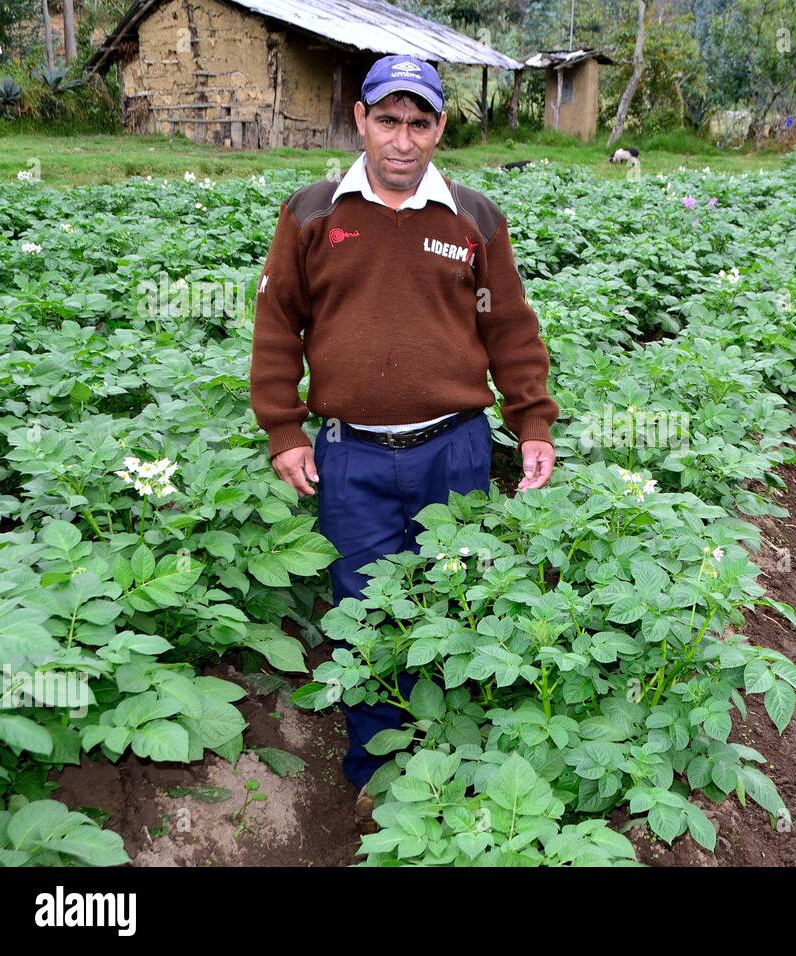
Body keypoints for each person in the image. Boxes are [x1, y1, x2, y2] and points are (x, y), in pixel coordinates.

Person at [247, 54, 559, 831]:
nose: (402, 139)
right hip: (348, 457)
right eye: (388, 119)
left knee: (456, 606)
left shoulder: (474, 218)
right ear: (360, 120)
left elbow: (509, 327)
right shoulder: (313, 213)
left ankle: (456, 765)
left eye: (420, 123)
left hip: (452, 449)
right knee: (361, 617)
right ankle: (376, 776)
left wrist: (532, 423)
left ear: (440, 129)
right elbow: (277, 324)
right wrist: (284, 430)